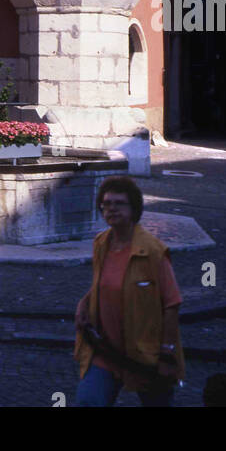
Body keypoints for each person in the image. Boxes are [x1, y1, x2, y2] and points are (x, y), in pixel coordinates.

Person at [73, 174, 185, 407]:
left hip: (146, 356)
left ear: (133, 208)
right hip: (104, 350)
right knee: (88, 402)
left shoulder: (153, 251)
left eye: (119, 203)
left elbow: (171, 303)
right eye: (106, 204)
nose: (111, 209)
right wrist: (84, 303)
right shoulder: (101, 242)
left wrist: (167, 353)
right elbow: (103, 282)